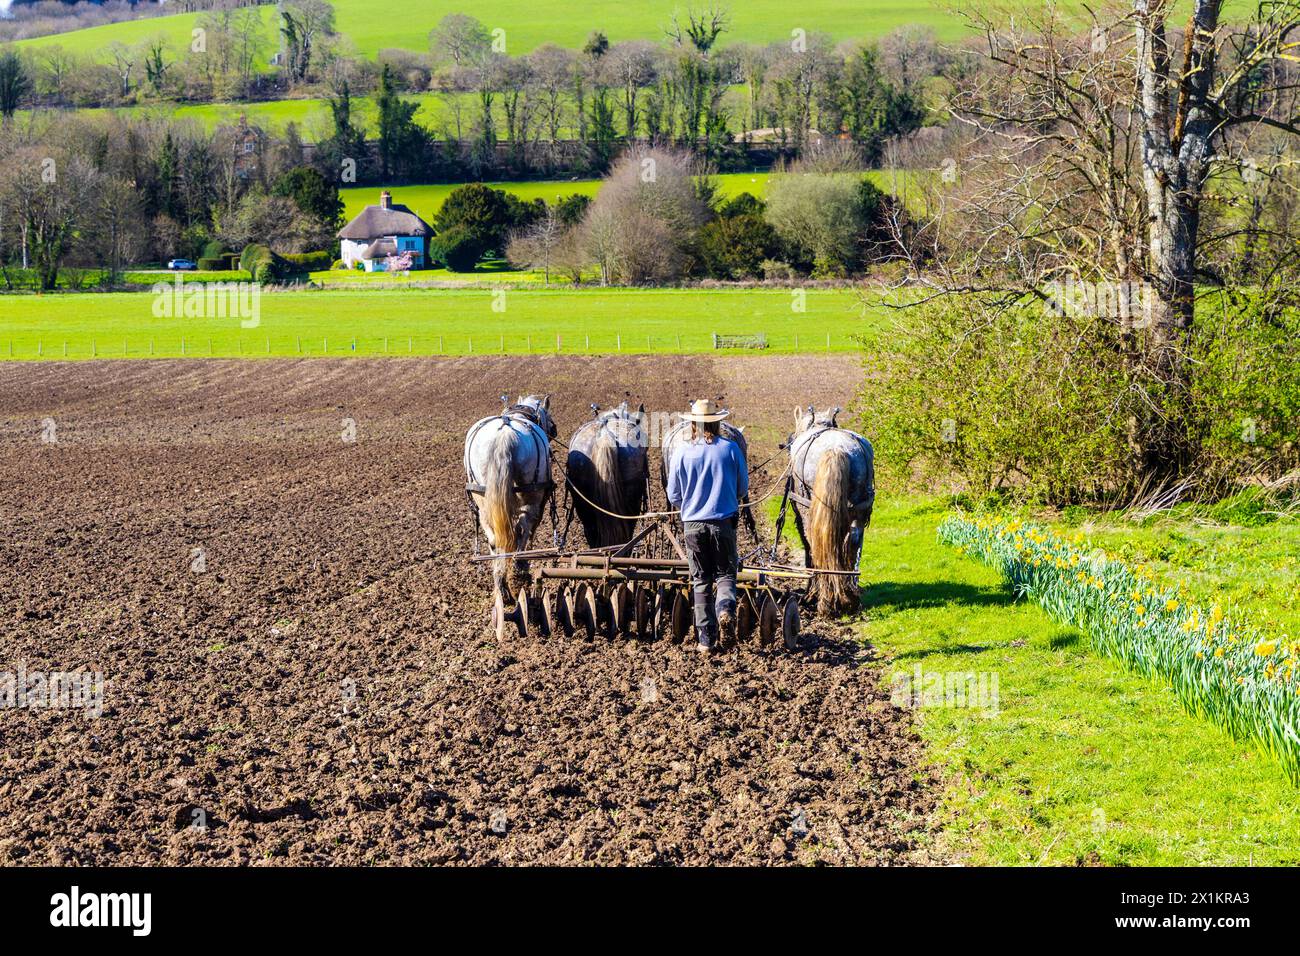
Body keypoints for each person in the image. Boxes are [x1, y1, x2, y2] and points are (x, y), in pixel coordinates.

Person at [666, 399, 749, 653]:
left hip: (692, 525)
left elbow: (673, 495)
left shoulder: (680, 451)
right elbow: (743, 489)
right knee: (725, 574)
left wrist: (691, 503)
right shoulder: (731, 449)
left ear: (694, 424)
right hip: (723, 523)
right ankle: (725, 611)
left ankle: (705, 640)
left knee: (700, 579)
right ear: (717, 422)